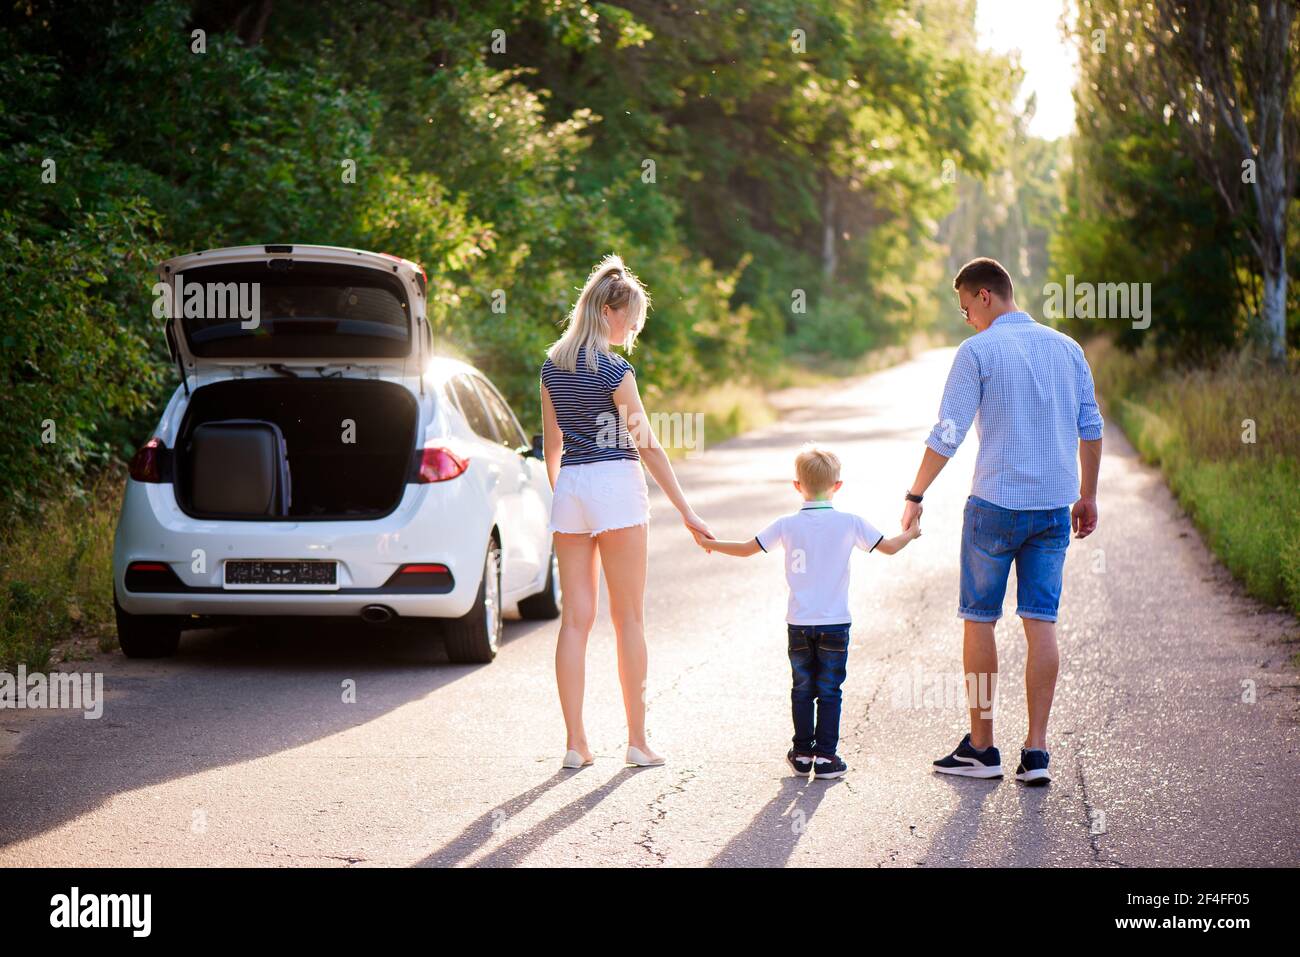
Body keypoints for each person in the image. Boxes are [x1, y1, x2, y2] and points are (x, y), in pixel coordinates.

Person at [904, 257, 1103, 785]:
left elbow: (947, 431)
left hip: (993, 508)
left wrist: (915, 493)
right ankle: (1036, 752)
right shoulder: (1068, 349)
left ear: (986, 296)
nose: (967, 318)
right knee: (1041, 621)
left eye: (967, 308)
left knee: (979, 619)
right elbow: (1092, 426)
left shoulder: (977, 351)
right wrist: (1088, 496)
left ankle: (982, 747)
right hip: (1053, 510)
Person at [540, 254, 714, 771]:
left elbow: (552, 445)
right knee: (629, 618)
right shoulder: (616, 369)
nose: (634, 328)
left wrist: (565, 493)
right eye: (632, 319)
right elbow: (647, 445)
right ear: (611, 311)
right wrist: (686, 510)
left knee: (575, 620)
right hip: (615, 485)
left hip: (570, 486)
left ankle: (576, 745)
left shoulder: (552, 364)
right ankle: (636, 743)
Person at [694, 444, 919, 779]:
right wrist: (911, 533)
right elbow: (888, 548)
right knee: (830, 689)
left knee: (802, 688)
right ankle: (826, 757)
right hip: (835, 624)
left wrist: (709, 543)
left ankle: (801, 753)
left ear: (797, 486)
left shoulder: (786, 525)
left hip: (799, 624)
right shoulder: (850, 522)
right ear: (837, 486)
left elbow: (744, 549)